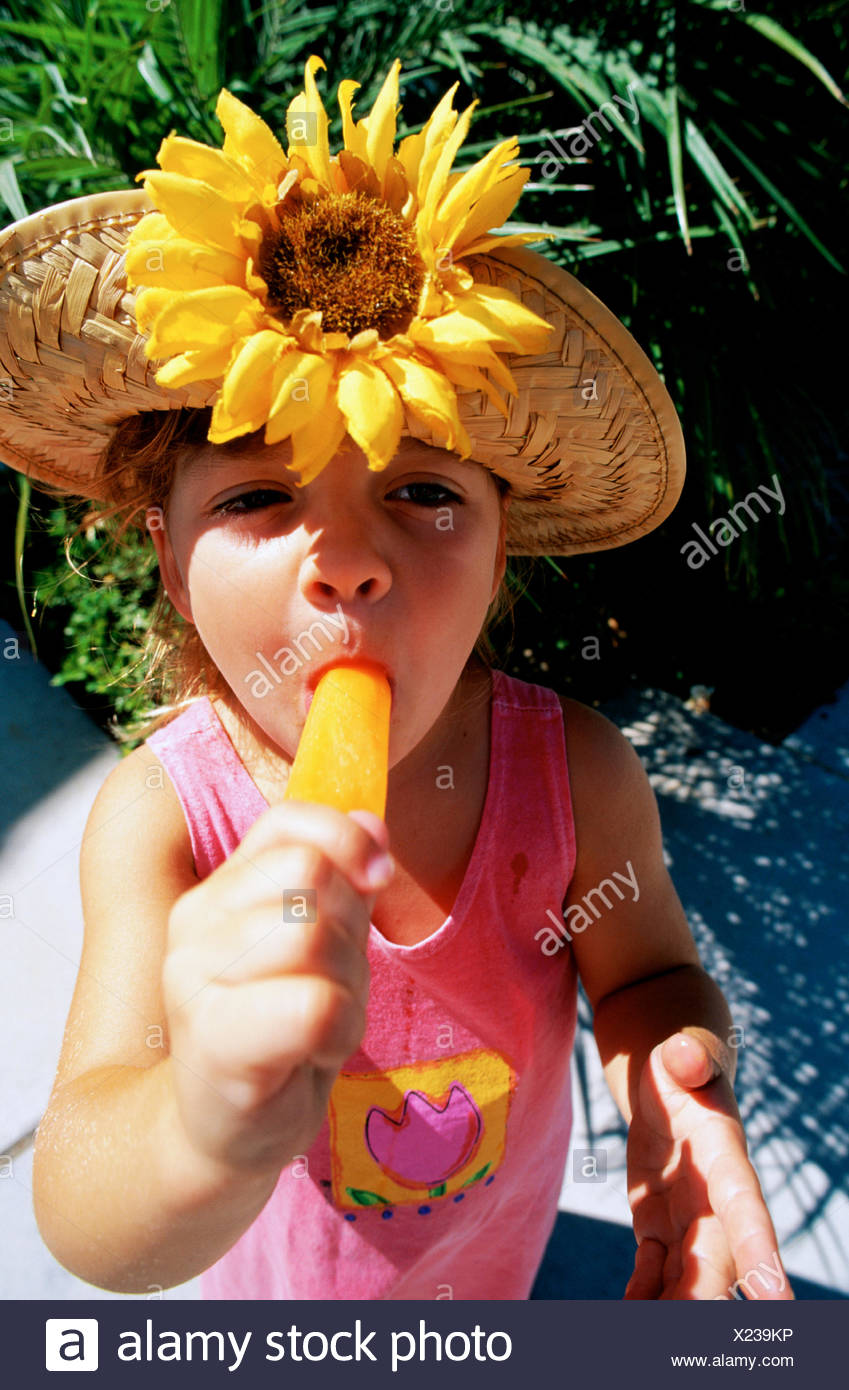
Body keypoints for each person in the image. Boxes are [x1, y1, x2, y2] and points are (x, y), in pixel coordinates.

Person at [0, 57, 793, 1301]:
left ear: (500, 549)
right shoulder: (168, 821)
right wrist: (197, 1127)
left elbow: (645, 972)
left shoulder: (574, 773)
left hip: (495, 1279)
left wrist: (673, 1082)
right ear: (165, 551)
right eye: (259, 496)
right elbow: (89, 1219)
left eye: (423, 492)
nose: (350, 566)